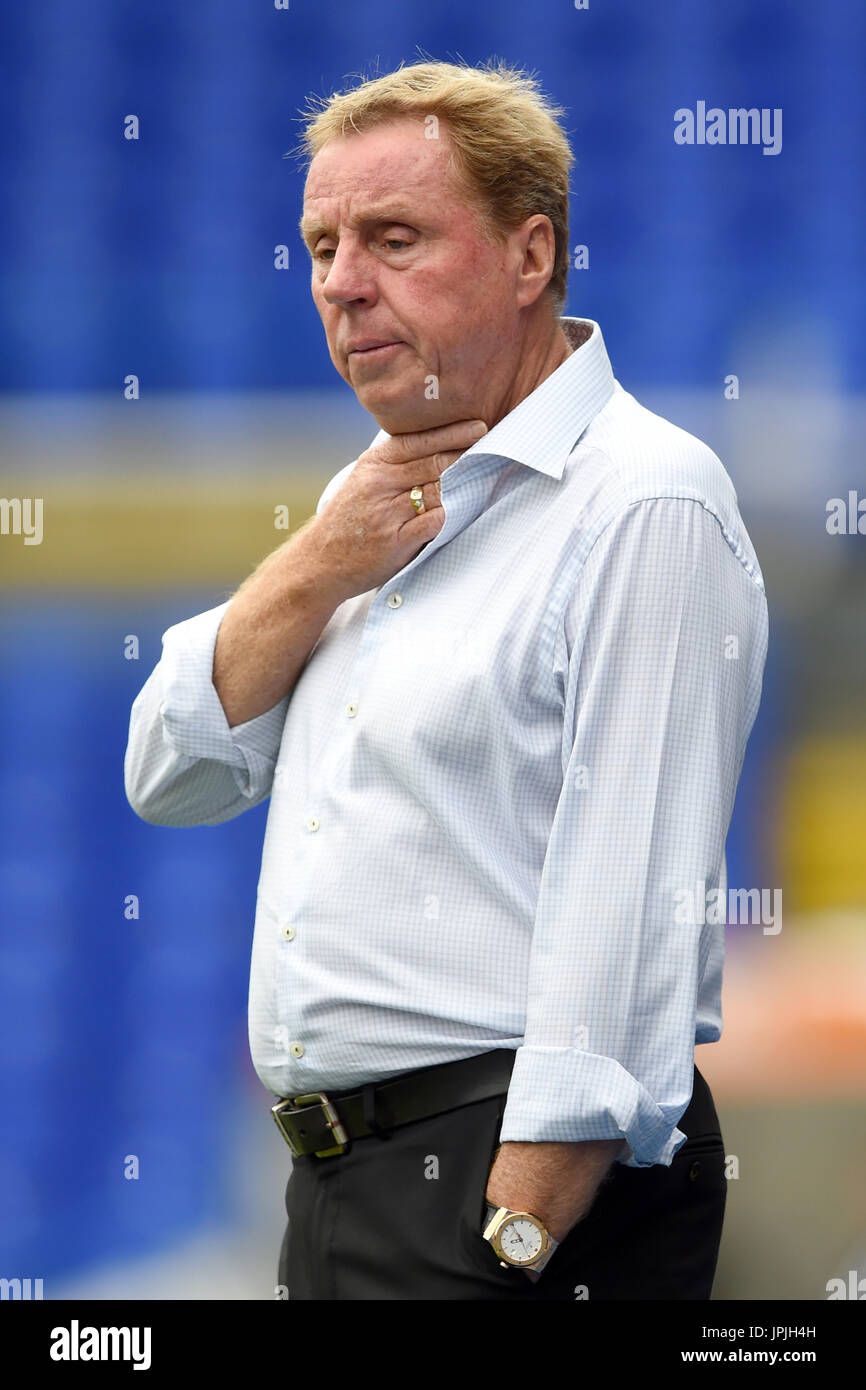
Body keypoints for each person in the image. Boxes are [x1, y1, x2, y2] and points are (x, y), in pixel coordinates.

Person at [124, 58, 769, 1300]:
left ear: (530, 258)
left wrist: (511, 1236)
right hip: (341, 1188)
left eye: (392, 237)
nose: (339, 283)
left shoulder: (645, 497)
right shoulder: (369, 497)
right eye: (318, 245)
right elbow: (172, 771)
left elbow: (625, 905)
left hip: (505, 1200)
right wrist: (321, 556)